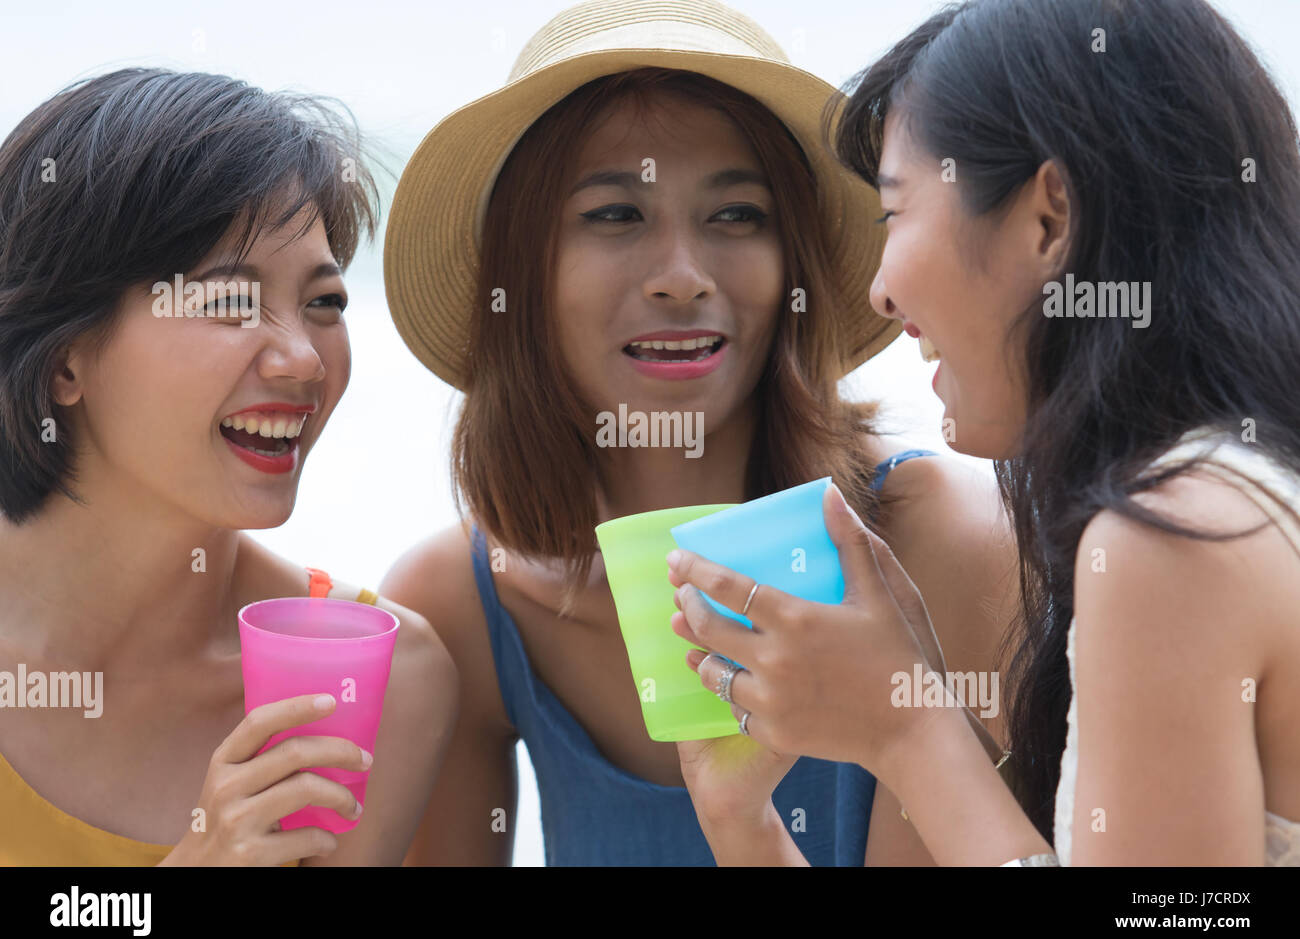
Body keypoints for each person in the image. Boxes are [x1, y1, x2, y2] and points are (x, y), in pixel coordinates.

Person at [382, 0, 1017, 865]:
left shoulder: (937, 537)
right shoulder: (458, 602)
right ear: (521, 274)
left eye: (736, 216)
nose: (683, 278)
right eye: (614, 215)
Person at [667, 0, 1300, 865]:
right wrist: (746, 825)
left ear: (1049, 219)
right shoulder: (1229, 498)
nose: (881, 293)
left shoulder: (1175, 537)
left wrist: (910, 734)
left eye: (894, 215)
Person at [0, 68, 457, 866]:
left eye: (324, 302)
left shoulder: (380, 677)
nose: (303, 360)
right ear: (63, 359)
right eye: (227, 303)